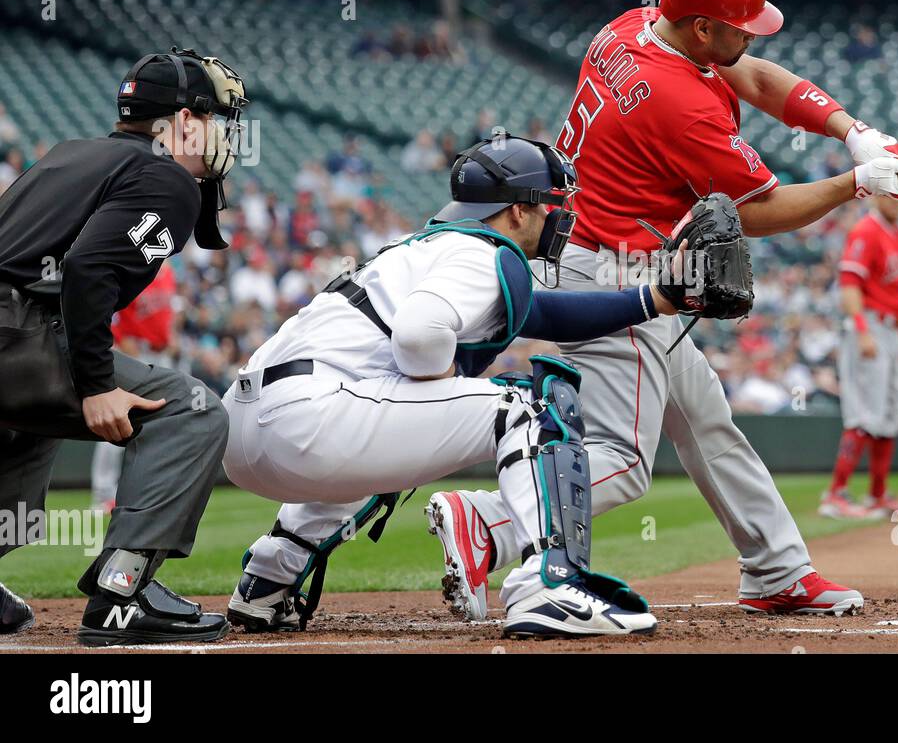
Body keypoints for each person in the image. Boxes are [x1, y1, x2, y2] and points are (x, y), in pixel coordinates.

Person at [435, 0, 898, 619]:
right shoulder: (680, 102)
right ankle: (488, 521)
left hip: (584, 247)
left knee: (704, 416)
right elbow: (756, 211)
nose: (752, 35)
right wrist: (853, 185)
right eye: (741, 25)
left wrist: (851, 131)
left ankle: (776, 569)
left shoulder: (632, 25)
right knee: (623, 459)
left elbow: (756, 78)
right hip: (611, 270)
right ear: (700, 29)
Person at [222, 135, 704, 637]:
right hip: (310, 420)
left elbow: (544, 313)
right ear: (518, 211)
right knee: (532, 405)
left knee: (391, 427)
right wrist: (441, 381)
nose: (561, 216)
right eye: (552, 204)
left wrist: (655, 299)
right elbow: (418, 333)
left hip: (249, 428)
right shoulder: (481, 253)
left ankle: (267, 581)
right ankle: (548, 587)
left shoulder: (430, 248)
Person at [0, 47, 247, 644]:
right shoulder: (166, 175)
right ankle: (123, 592)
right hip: (16, 332)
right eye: (218, 119)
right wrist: (96, 386)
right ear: (186, 121)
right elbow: (87, 269)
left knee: (27, 428)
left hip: (10, 335)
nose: (226, 136)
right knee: (192, 413)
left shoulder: (66, 155)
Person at [821, 194, 898, 519]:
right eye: (893, 193)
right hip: (869, 324)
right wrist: (862, 330)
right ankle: (836, 494)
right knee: (864, 413)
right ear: (877, 195)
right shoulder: (866, 230)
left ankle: (877, 496)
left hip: (890, 328)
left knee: (889, 414)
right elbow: (849, 286)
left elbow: (897, 292)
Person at [89, 261, 180, 513]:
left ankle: (148, 490)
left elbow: (168, 310)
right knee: (116, 420)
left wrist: (171, 335)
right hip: (134, 352)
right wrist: (120, 337)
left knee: (160, 423)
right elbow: (109, 306)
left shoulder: (168, 269)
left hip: (160, 355)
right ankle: (103, 494)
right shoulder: (133, 264)